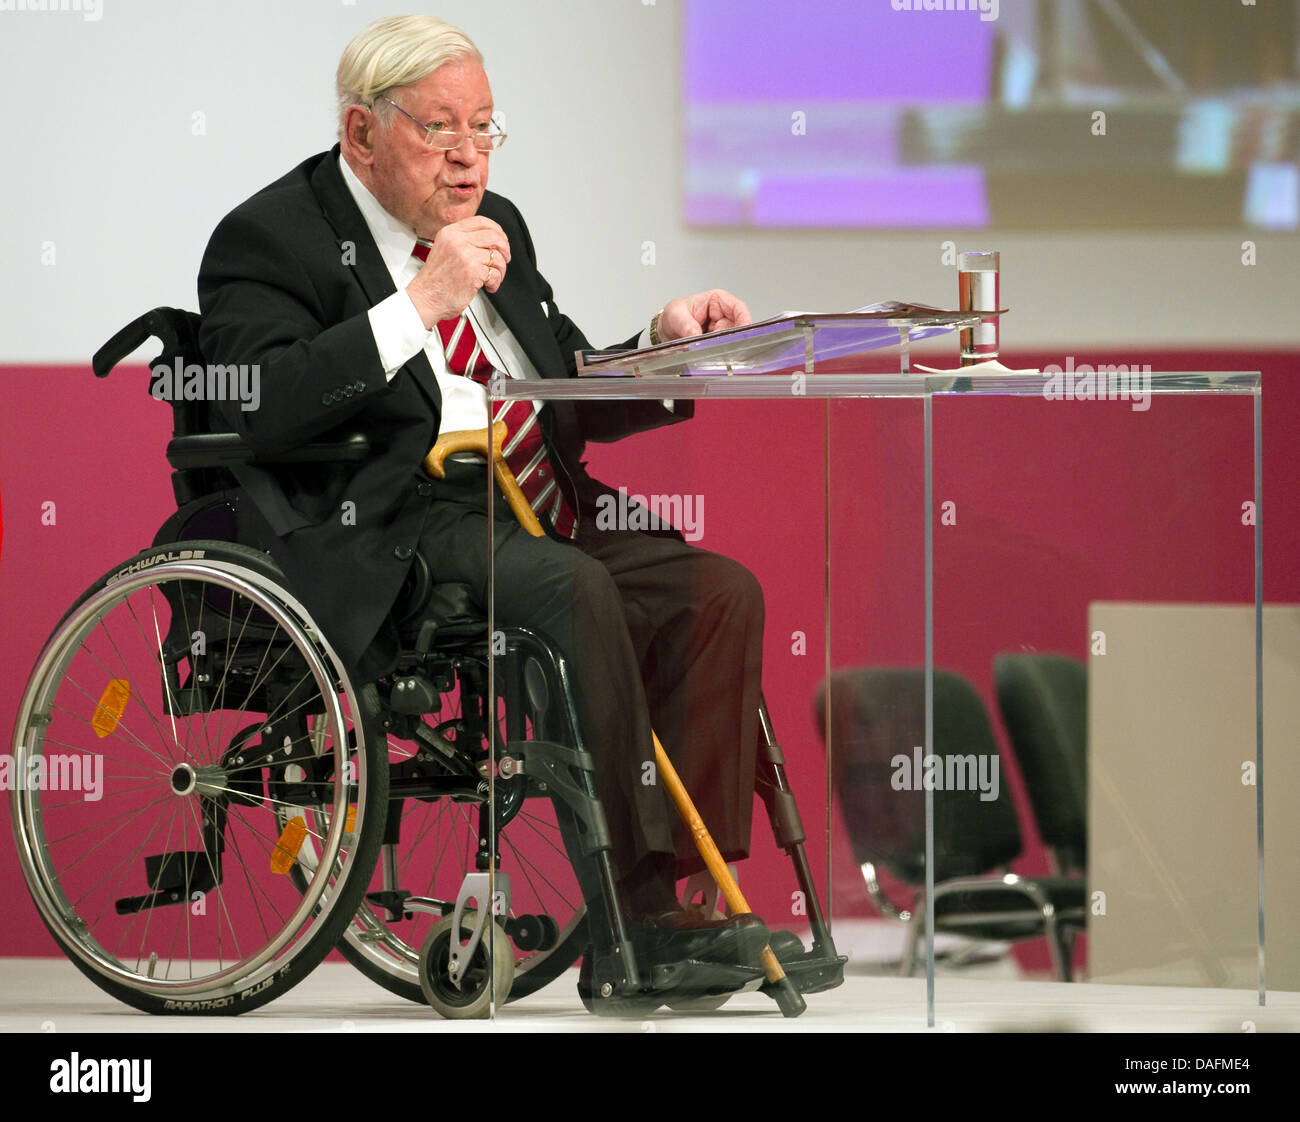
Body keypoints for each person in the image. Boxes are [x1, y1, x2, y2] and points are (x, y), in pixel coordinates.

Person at [198, 14, 768, 966]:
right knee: (571, 589)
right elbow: (259, 402)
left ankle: (694, 895)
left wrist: (663, 350)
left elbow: (558, 391)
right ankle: (630, 921)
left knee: (716, 592)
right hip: (393, 524)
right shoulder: (271, 238)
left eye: (486, 129)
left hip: (535, 504)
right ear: (361, 132)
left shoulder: (494, 232)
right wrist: (417, 305)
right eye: (441, 130)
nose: (470, 160)